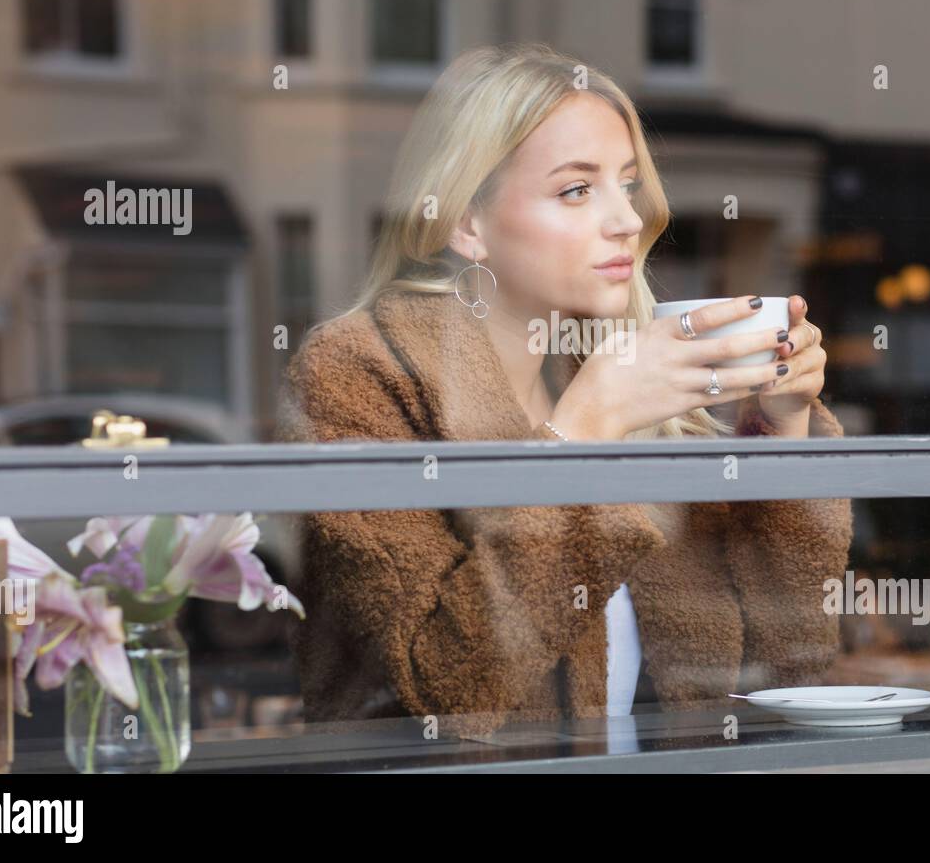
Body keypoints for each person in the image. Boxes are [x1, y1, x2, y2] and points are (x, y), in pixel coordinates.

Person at [279, 42, 853, 738]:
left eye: (628, 184)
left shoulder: (622, 382)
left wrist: (781, 438)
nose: (627, 220)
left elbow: (790, 662)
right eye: (577, 189)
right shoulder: (360, 371)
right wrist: (586, 425)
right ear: (467, 224)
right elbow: (454, 691)